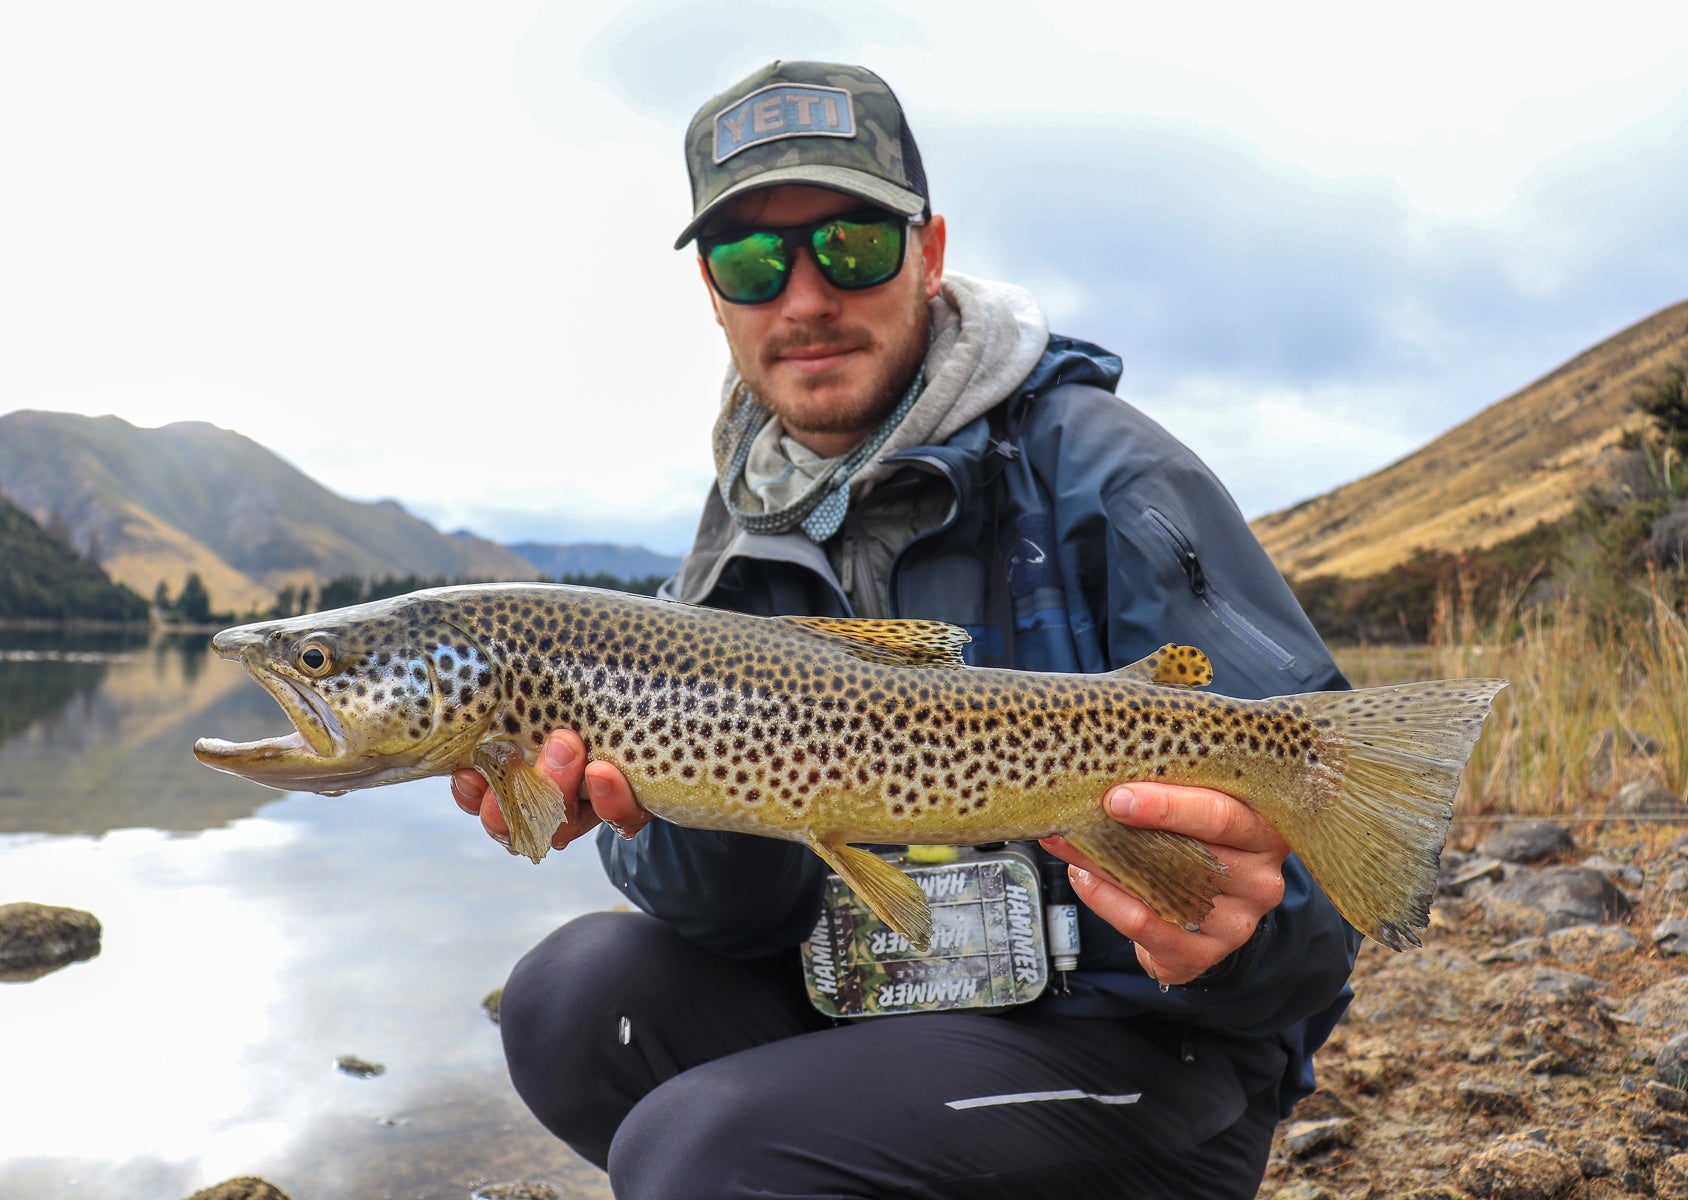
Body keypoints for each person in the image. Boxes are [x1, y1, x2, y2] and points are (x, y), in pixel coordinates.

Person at [452, 61, 1359, 1199]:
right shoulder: (737, 529)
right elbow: (742, 913)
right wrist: (670, 813)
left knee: (700, 1156)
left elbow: (1328, 889)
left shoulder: (1111, 472)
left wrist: (1245, 930)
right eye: (748, 258)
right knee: (569, 1002)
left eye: (851, 245)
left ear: (928, 255)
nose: (804, 296)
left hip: (1140, 1045)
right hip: (877, 999)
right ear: (711, 294)